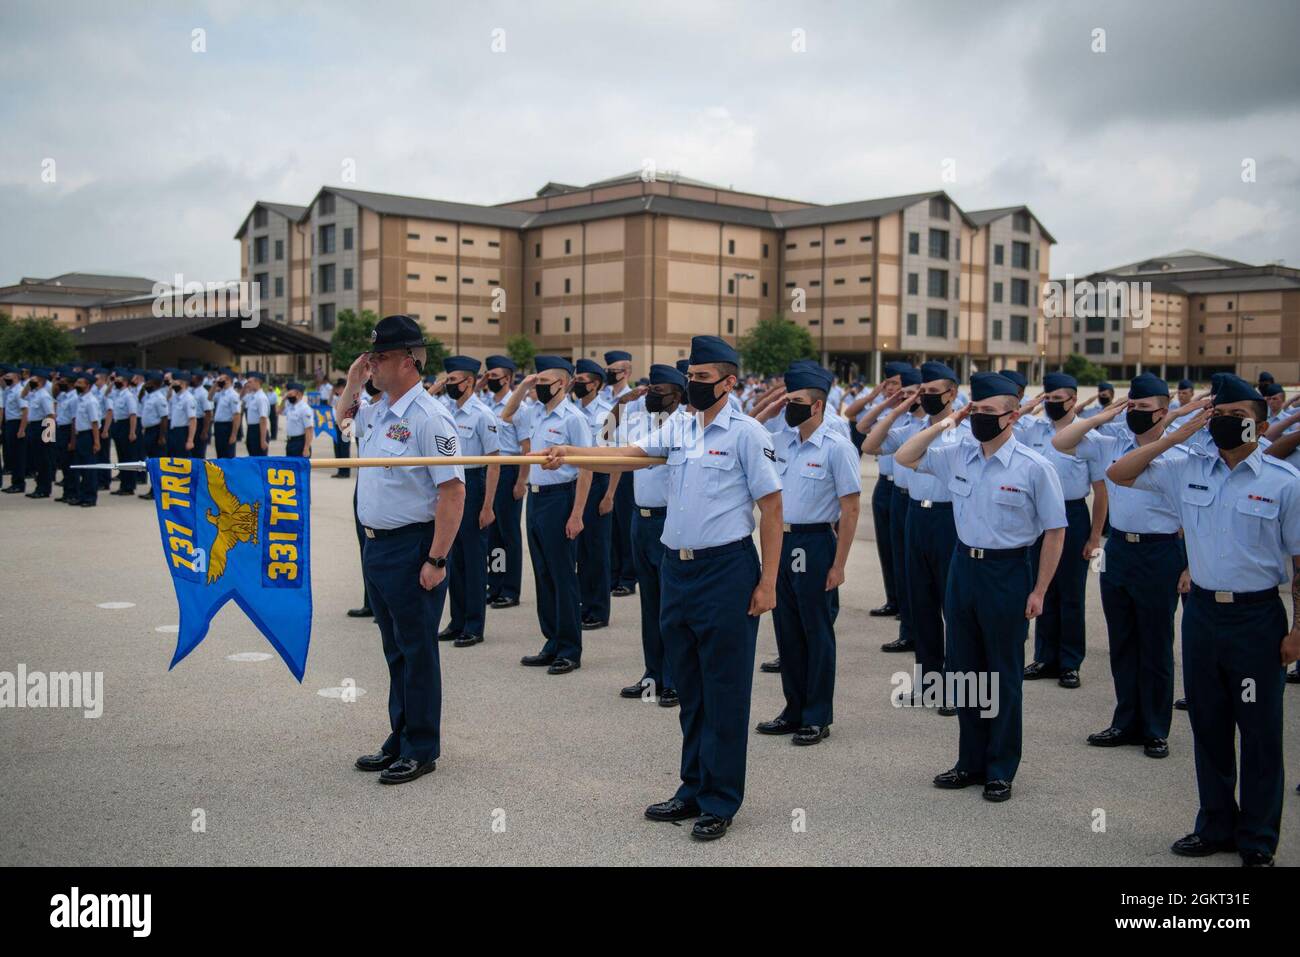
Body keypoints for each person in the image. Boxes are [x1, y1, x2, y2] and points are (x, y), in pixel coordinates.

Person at [544, 335, 783, 841]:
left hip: (726, 571)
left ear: (728, 382)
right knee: (690, 687)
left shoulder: (747, 433)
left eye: (701, 380)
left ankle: (721, 799)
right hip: (679, 570)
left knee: (725, 690)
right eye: (690, 378)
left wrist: (768, 582)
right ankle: (692, 787)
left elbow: (773, 508)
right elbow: (628, 456)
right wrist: (572, 455)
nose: (692, 386)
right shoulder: (679, 425)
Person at [1106, 374, 1300, 867]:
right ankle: (1214, 824)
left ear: (1262, 424)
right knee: (1209, 726)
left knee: (1258, 731)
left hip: (1256, 621)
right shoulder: (1187, 469)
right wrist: (1173, 434)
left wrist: (1298, 630)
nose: (1228, 427)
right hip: (1203, 617)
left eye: (1240, 420)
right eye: (1220, 417)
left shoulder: (1283, 483)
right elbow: (1119, 473)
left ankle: (1257, 837)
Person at [895, 371, 1066, 803]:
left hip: (1007, 573)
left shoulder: (1034, 467)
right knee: (965, 670)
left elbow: (1055, 531)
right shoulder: (957, 455)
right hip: (963, 569)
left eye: (988, 413)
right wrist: (945, 423)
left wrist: (1040, 589)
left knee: (1003, 674)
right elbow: (905, 456)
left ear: (1011, 416)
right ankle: (969, 761)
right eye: (975, 411)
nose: (979, 419)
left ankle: (1000, 767)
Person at [336, 315, 466, 786]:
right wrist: (354, 381)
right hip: (377, 547)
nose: (373, 363)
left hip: (413, 547)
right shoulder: (378, 408)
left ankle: (421, 747)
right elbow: (342, 419)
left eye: (381, 357)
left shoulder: (430, 418)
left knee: (417, 649)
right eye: (371, 356)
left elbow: (452, 492)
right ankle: (400, 735)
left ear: (409, 361)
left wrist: (436, 559)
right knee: (395, 650)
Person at [1052, 373, 1184, 759]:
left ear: (1163, 413)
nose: (1136, 414)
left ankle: (1156, 728)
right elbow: (1062, 441)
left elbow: (1194, 514)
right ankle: (1125, 721)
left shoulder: (1180, 454)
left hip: (1161, 551)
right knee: (1123, 642)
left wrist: (1189, 564)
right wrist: (1100, 416)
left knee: (1156, 643)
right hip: (1119, 550)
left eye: (1144, 409)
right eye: (1133, 407)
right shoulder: (1110, 443)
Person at [754, 362, 860, 745]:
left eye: (796, 401)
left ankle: (817, 715)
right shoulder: (779, 440)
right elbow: (750, 425)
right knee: (787, 631)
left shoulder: (836, 447)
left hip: (815, 543)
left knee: (816, 632)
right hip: (779, 541)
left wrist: (839, 564)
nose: (788, 407)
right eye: (787, 399)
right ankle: (793, 708)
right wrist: (773, 403)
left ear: (817, 406)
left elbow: (849, 509)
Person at [873, 360, 967, 714]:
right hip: (916, 514)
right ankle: (930, 683)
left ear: (953, 393)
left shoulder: (969, 431)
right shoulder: (913, 428)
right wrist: (898, 404)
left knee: (953, 608)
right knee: (922, 604)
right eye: (923, 392)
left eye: (933, 392)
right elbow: (870, 440)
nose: (927, 398)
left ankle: (958, 688)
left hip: (949, 518)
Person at [502, 356, 592, 675]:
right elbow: (506, 413)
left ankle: (569, 648)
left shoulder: (574, 419)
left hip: (561, 499)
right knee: (542, 573)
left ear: (564, 383)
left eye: (544, 383)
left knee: (563, 575)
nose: (539, 388)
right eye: (537, 382)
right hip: (537, 499)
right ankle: (551, 641)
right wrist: (525, 385)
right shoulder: (535, 414)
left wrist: (577, 513)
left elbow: (586, 468)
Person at [1018, 372, 1108, 689]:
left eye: (1060, 400)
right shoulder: (1033, 430)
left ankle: (1069, 661)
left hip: (1072, 515)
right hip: (1038, 517)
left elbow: (1101, 490)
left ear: (1073, 399)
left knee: (1070, 592)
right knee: (1042, 587)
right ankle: (1044, 657)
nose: (1054, 405)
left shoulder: (1089, 437)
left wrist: (1095, 536)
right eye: (1049, 399)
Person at [616, 364, 689, 708]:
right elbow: (607, 440)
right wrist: (621, 402)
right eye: (650, 388)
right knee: (649, 604)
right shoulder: (641, 423)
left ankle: (675, 679)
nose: (651, 395)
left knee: (670, 606)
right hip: (639, 519)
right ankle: (652, 675)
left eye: (659, 391)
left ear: (677, 394)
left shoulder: (681, 426)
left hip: (665, 521)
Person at [433, 356, 499, 648]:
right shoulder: (446, 411)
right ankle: (456, 620)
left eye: (453, 380)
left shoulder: (482, 415)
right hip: (451, 484)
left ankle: (474, 625)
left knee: (473, 560)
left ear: (470, 382)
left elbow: (494, 462)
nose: (449, 385)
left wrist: (487, 506)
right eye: (447, 380)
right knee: (453, 557)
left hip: (474, 484)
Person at [862, 368, 925, 654]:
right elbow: (865, 433)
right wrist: (893, 405)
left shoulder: (948, 426)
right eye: (905, 394)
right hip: (900, 497)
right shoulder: (905, 424)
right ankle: (909, 628)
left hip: (929, 505)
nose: (908, 398)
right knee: (901, 562)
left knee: (927, 575)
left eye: (913, 393)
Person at [843, 362, 910, 617]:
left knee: (905, 550)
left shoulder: (917, 415)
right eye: (888, 383)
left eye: (896, 383)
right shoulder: (880, 411)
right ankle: (893, 598)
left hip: (903, 488)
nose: (892, 388)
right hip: (884, 484)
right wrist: (876, 397)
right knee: (887, 547)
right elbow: (853, 415)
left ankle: (908, 603)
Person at [572, 358, 616, 631]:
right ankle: (583, 603)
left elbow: (614, 458)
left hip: (599, 481)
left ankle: (598, 609)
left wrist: (610, 494)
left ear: (597, 384)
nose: (577, 383)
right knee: (580, 550)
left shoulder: (606, 415)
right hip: (577, 482)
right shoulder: (574, 411)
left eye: (583, 380)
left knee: (597, 549)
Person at [483, 355, 525, 609]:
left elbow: (526, 447)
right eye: (488, 375)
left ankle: (510, 589)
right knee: (492, 534)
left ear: (508, 379)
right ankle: (495, 583)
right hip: (491, 470)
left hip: (510, 470)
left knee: (508, 533)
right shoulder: (486, 403)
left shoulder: (519, 406)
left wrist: (521, 481)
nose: (490, 380)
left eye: (495, 376)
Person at [601, 350, 639, 598]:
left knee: (624, 522)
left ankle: (627, 576)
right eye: (608, 370)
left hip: (624, 465)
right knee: (609, 526)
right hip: (604, 462)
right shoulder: (603, 396)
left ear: (626, 373)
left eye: (614, 370)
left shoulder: (635, 399)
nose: (610, 374)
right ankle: (612, 573)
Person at [68, 372, 102, 508]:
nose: (77, 385)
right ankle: (82, 496)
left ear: (88, 385)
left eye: (80, 383)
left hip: (88, 436)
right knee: (81, 467)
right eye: (77, 383)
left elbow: (94, 423)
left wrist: (96, 441)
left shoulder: (91, 401)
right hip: (80, 436)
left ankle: (90, 497)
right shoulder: (80, 399)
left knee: (89, 469)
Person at [21, 369, 55, 499]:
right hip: (34, 427)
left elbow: (51, 415)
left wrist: (48, 436)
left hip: (43, 426)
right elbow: (22, 395)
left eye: (33, 379)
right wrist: (29, 384)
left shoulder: (44, 395)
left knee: (44, 460)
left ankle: (44, 488)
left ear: (40, 380)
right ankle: (39, 486)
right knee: (37, 459)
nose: (30, 381)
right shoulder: (34, 393)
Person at [137, 374, 169, 499]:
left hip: (157, 431)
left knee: (157, 462)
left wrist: (161, 436)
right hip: (149, 431)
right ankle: (153, 489)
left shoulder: (159, 398)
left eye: (148, 382)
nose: (145, 384)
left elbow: (164, 418)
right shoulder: (149, 396)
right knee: (150, 461)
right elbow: (139, 399)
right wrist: (143, 388)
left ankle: (158, 491)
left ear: (155, 384)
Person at [107, 370, 140, 494]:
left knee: (128, 457)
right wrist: (111, 382)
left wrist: (132, 432)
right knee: (121, 456)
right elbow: (106, 394)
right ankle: (123, 484)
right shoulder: (117, 394)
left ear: (125, 382)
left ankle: (129, 486)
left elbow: (132, 414)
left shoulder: (128, 396)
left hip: (126, 425)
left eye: (119, 380)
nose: (116, 382)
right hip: (118, 425)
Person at [2, 366, 29, 493]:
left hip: (17, 423)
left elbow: (25, 411)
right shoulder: (9, 390)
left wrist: (22, 429)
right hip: (10, 423)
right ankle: (15, 481)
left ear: (17, 377)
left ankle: (19, 483)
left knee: (18, 455)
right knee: (12, 455)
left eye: (9, 376)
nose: (5, 378)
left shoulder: (19, 391)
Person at [211, 373, 242, 459]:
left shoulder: (233, 395)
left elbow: (237, 415)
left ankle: (228, 472)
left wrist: (234, 435)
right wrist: (215, 385)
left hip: (227, 427)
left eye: (222, 380)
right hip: (218, 427)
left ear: (229, 381)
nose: (219, 381)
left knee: (228, 455)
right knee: (220, 453)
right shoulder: (221, 393)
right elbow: (209, 397)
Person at [166, 375, 197, 457]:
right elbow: (167, 399)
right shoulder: (176, 396)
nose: (173, 384)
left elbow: (193, 420)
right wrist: (170, 388)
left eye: (175, 383)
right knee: (173, 457)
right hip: (173, 431)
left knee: (182, 458)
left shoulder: (188, 398)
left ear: (183, 384)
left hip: (182, 432)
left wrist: (190, 440)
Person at [281, 382, 314, 458]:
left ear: (299, 394)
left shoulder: (305, 409)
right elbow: (278, 411)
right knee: (290, 469)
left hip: (300, 443)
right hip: (290, 442)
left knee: (300, 469)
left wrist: (306, 448)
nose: (288, 396)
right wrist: (283, 399)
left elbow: (309, 429)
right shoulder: (290, 406)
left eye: (290, 394)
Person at [327, 377, 351, 477]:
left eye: (338, 387)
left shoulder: (349, 397)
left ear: (343, 387)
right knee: (337, 448)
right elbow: (329, 403)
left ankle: (345, 471)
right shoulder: (337, 397)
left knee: (344, 448)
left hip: (346, 426)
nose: (336, 389)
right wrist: (332, 393)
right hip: (336, 425)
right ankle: (340, 470)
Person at [242, 373, 270, 456]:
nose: (247, 384)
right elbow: (240, 398)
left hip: (258, 430)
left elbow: (263, 419)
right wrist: (245, 387)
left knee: (259, 459)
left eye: (250, 382)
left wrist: (263, 440)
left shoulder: (261, 398)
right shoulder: (251, 395)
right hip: (251, 429)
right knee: (252, 456)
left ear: (257, 382)